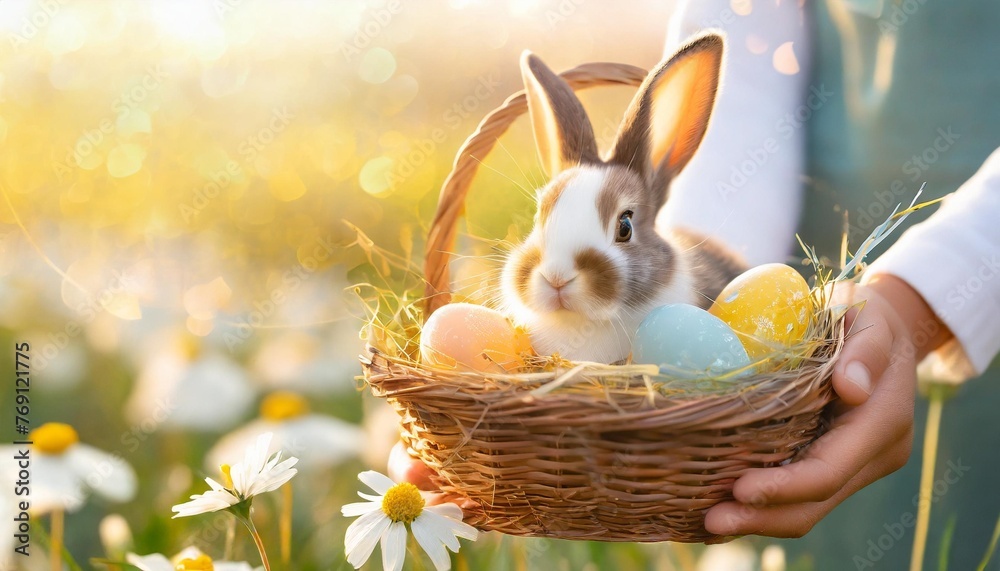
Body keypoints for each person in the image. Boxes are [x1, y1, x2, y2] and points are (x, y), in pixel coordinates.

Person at [390, 0, 1000, 544]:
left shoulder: (672, 306)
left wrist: (920, 293)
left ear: (641, 226)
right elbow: (750, 25)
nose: (558, 275)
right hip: (789, 199)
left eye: (622, 228)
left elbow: (702, 349)